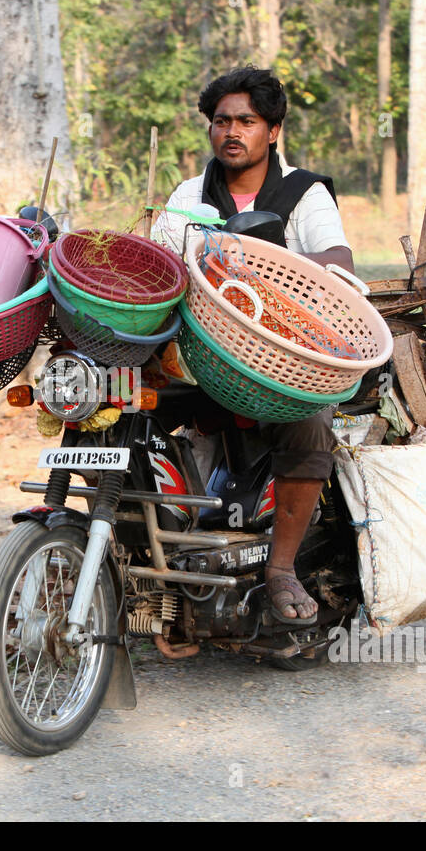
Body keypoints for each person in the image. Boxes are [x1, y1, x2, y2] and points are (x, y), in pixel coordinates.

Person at [149, 66, 355, 626]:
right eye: (221, 121)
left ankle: (281, 568)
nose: (231, 131)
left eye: (247, 120)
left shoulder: (302, 192)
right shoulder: (190, 195)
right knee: (121, 406)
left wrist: (261, 264)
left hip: (278, 367)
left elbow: (338, 260)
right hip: (198, 360)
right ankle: (145, 551)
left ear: (274, 130)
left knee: (309, 424)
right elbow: (159, 259)